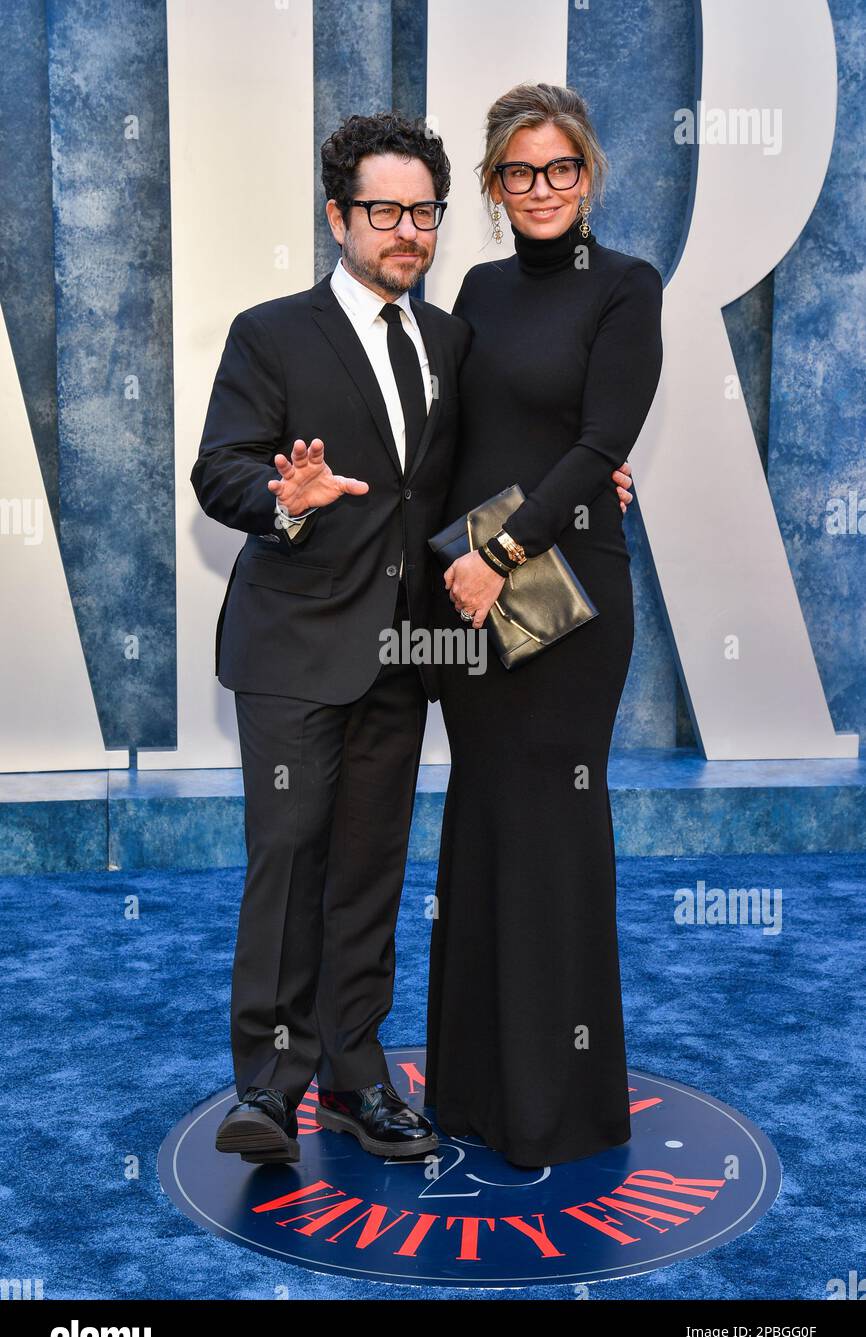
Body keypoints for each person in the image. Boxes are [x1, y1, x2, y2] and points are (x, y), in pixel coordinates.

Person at [191, 113, 469, 1164]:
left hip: (402, 657)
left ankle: (358, 1080)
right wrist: (285, 494)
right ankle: (269, 1084)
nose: (405, 231)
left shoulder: (446, 340)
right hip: (293, 650)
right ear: (335, 216)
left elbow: (463, 473)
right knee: (289, 858)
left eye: (423, 212)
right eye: (382, 210)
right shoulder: (272, 332)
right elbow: (218, 471)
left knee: (367, 871)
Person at [423, 82, 663, 1168]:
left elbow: (598, 443)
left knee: (550, 829)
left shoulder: (624, 287)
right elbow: (450, 439)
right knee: (480, 819)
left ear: (588, 172)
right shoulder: (472, 286)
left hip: (563, 602)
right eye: (517, 172)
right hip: (470, 596)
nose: (540, 189)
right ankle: (473, 1091)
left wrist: (500, 554)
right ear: (491, 185)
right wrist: (447, 558)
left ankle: (553, 1109)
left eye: (558, 168)